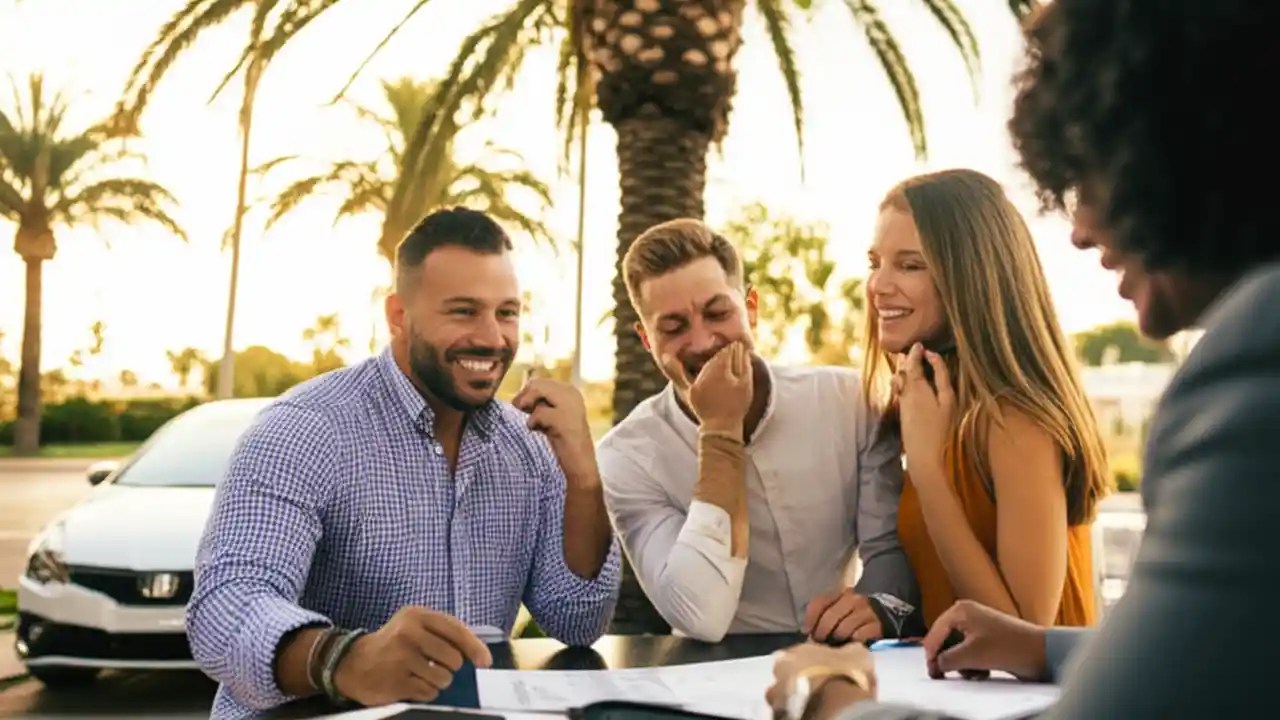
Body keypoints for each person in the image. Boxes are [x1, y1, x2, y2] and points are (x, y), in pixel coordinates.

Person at [767, 1, 1280, 718]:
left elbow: (1028, 616)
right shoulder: (919, 402)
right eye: (877, 262)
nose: (1074, 230)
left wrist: (825, 699)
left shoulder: (1252, 367)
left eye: (1093, 173)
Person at [187, 207, 622, 720]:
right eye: (463, 311)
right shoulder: (304, 429)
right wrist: (344, 659)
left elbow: (576, 620)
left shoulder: (530, 444)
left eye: (507, 312)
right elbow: (225, 606)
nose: (492, 337)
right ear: (398, 315)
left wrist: (585, 479)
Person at [596, 218, 920, 644]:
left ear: (750, 308)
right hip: (710, 674)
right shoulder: (625, 457)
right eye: (673, 328)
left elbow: (888, 552)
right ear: (646, 339)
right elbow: (701, 614)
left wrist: (879, 607)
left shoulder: (848, 401)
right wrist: (720, 431)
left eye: (717, 313)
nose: (702, 341)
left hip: (839, 664)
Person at [864, 168, 1109, 632]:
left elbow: (1022, 633)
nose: (878, 284)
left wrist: (927, 468)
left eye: (910, 265)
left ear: (969, 278)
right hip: (955, 698)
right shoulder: (930, 408)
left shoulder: (1014, 418)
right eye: (875, 262)